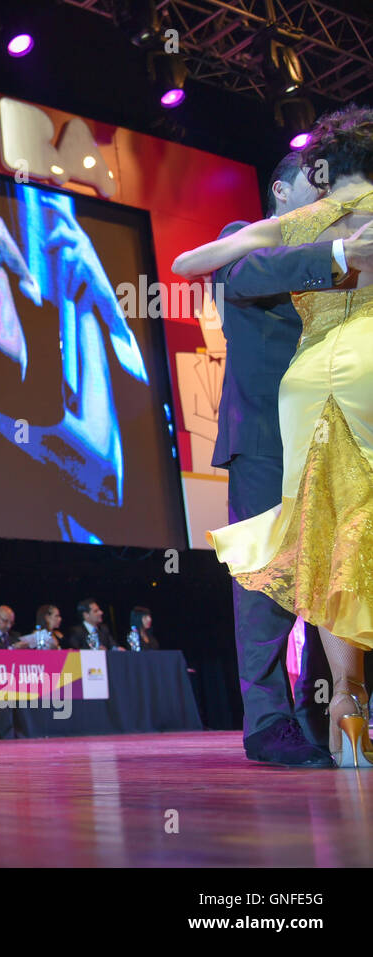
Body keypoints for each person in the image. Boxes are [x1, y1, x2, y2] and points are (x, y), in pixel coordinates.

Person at [174, 105, 373, 767]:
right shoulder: (252, 237)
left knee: (333, 573)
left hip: (332, 424)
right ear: (281, 195)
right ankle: (267, 723)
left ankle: (329, 710)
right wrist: (342, 251)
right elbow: (246, 271)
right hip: (265, 431)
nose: (325, 201)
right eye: (313, 193)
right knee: (266, 580)